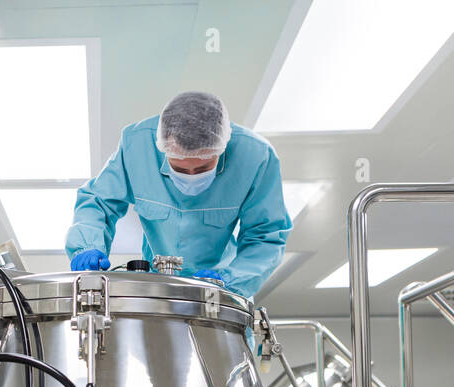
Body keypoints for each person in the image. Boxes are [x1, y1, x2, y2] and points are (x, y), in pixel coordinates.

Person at [65, 91, 290, 300]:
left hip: (220, 295)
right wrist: (87, 245)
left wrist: (231, 280)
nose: (191, 176)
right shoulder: (138, 144)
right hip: (157, 291)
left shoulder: (256, 156)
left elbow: (266, 235)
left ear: (222, 149)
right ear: (162, 148)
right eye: (180, 169)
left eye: (202, 169)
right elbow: (99, 201)